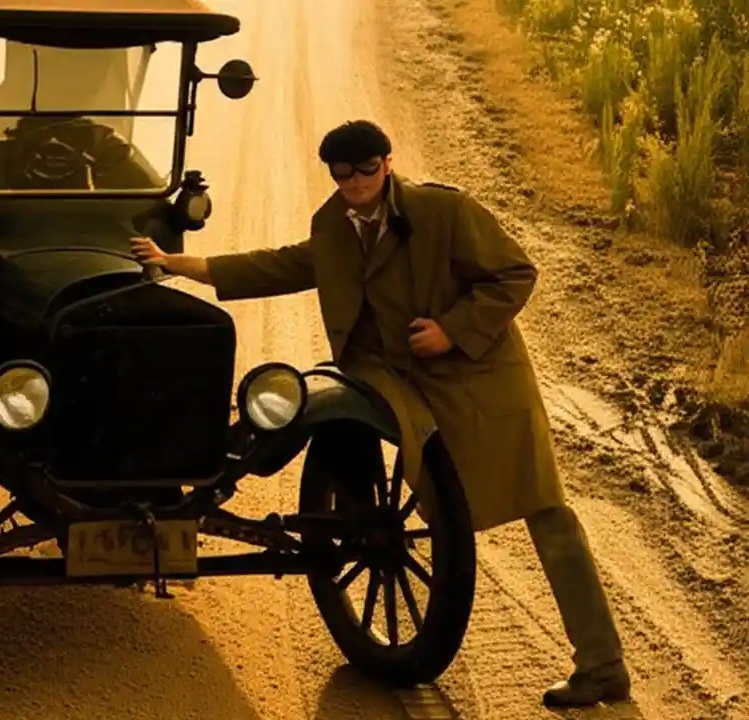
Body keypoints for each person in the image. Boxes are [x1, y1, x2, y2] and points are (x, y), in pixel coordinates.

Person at [130, 120, 631, 707]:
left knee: (546, 511)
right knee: (361, 429)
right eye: (343, 174)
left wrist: (452, 329)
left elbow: (516, 273)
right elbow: (283, 265)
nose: (356, 182)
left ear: (387, 164)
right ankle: (358, 526)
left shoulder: (447, 213)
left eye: (367, 169)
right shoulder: (333, 226)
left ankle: (602, 664)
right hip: (397, 381)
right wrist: (181, 263)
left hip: (477, 378)